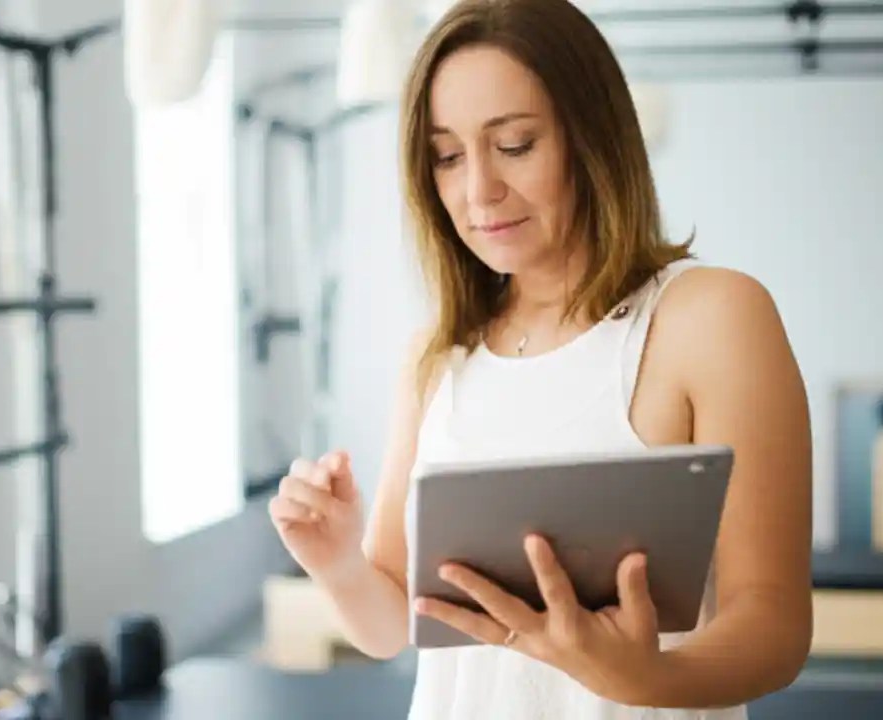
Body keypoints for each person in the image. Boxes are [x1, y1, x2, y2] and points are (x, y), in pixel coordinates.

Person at [267, 0, 813, 717]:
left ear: (592, 137)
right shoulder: (440, 358)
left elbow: (774, 622)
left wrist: (645, 680)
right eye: (448, 156)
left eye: (515, 144)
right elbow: (395, 625)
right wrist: (335, 561)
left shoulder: (710, 317)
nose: (478, 190)